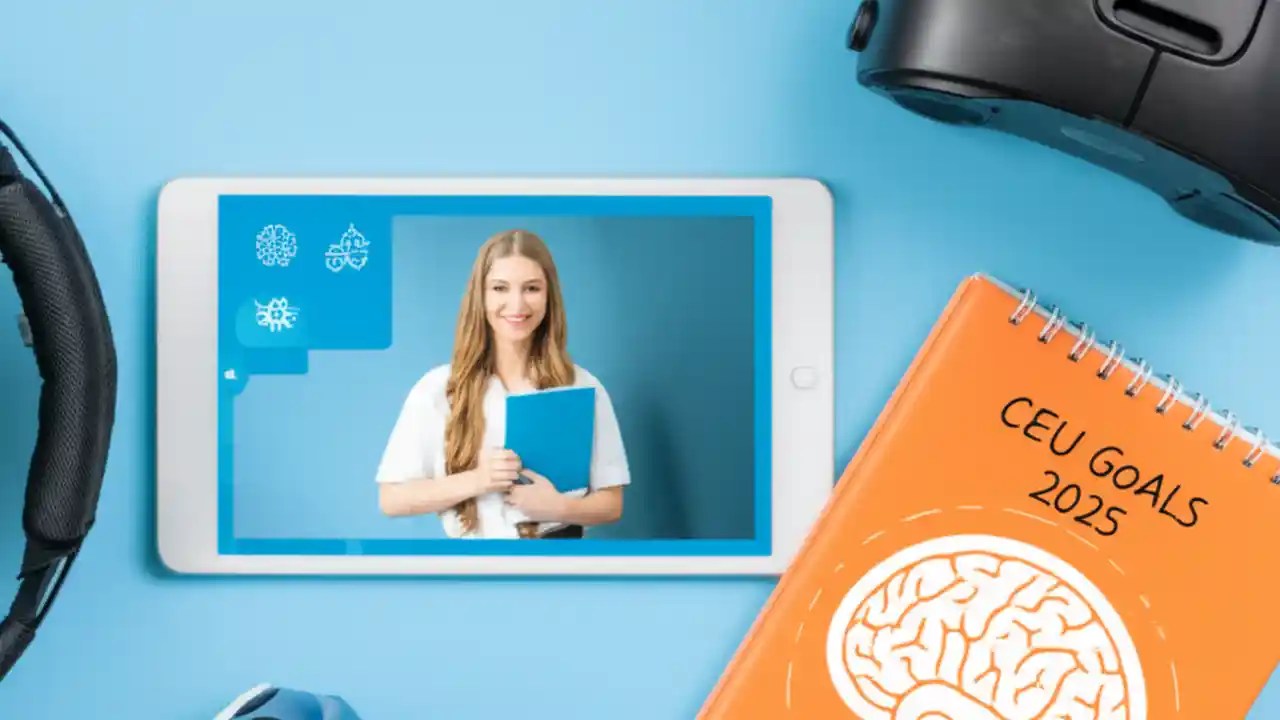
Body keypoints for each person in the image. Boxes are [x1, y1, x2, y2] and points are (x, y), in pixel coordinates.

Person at [374, 229, 630, 539]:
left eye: (532, 288)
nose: (516, 304)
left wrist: (557, 507)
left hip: (558, 564)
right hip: (475, 571)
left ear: (549, 297)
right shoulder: (439, 389)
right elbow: (392, 499)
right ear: (480, 297)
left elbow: (612, 503)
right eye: (500, 288)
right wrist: (480, 479)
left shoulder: (581, 386)